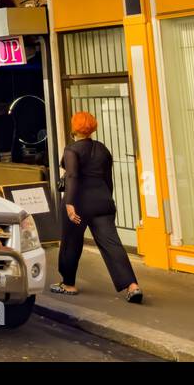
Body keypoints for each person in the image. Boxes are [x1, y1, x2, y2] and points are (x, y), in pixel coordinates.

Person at [50, 111, 143, 303]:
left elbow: (72, 177)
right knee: (112, 244)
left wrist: (69, 203)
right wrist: (108, 199)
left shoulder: (71, 150)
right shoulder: (102, 149)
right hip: (102, 202)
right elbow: (108, 179)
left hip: (78, 203)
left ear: (74, 128)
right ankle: (132, 286)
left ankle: (68, 284)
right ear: (93, 127)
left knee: (70, 243)